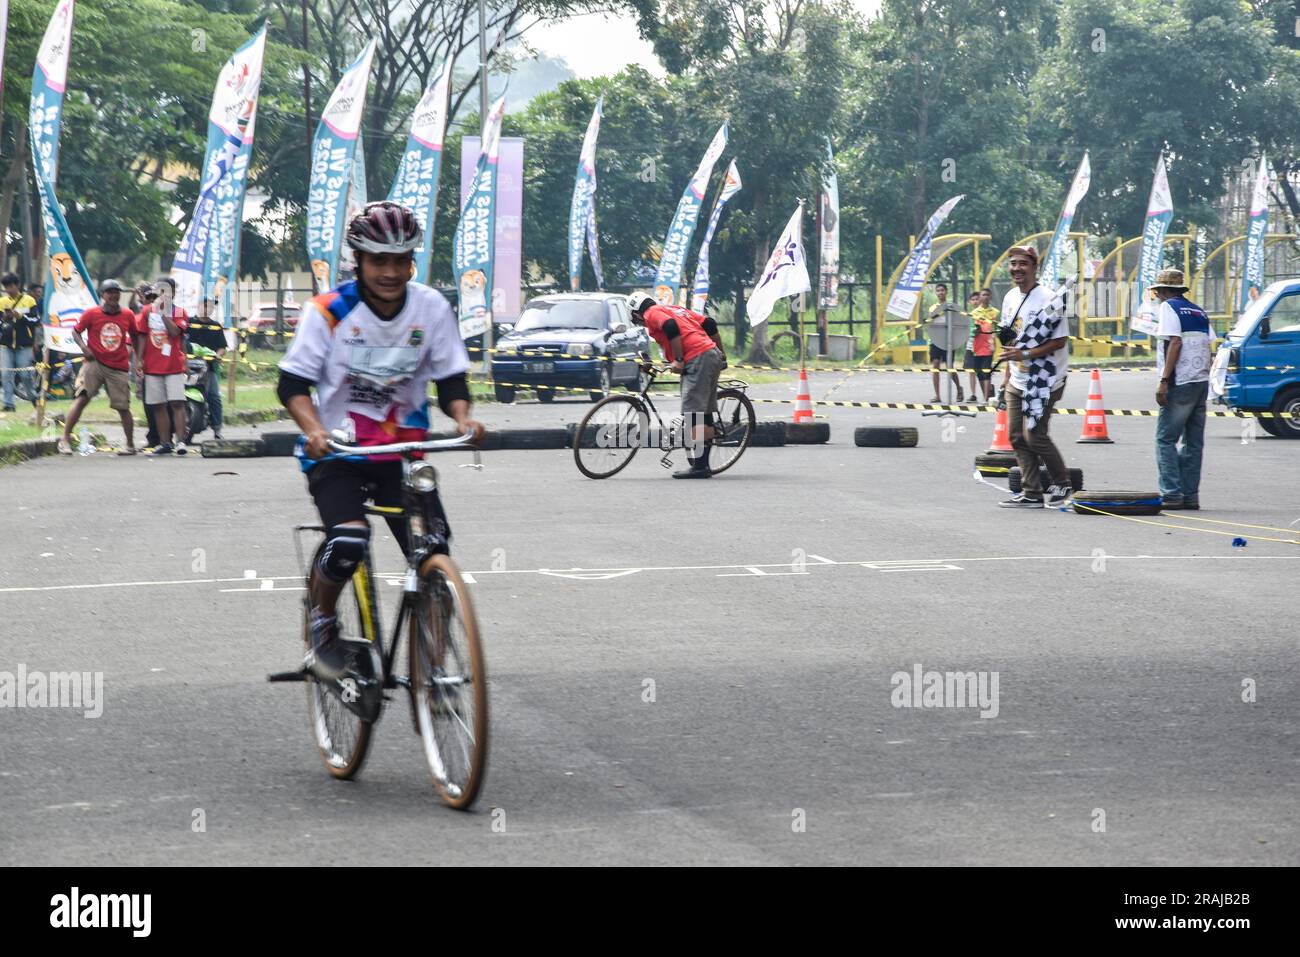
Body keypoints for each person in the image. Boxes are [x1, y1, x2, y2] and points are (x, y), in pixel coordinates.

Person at [277, 201, 483, 682]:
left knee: (434, 552)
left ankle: (432, 667)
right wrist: (314, 430)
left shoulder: (431, 308)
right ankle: (323, 621)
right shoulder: (328, 312)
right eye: (378, 261)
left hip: (401, 456)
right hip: (341, 453)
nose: (390, 272)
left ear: (412, 261)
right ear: (359, 262)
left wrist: (464, 419)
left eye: (400, 260)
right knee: (349, 540)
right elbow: (291, 385)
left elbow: (452, 378)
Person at [996, 246, 1073, 508]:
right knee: (1016, 436)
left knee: (1035, 436)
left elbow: (1060, 341)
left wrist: (1025, 355)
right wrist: (1007, 374)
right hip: (1017, 378)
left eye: (1022, 264)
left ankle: (1063, 485)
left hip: (1046, 379)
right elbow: (1010, 339)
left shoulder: (1049, 299)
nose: (1016, 268)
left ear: (1034, 267)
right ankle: (1032, 493)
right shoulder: (1009, 298)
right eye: (1013, 263)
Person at [625, 292, 728, 479]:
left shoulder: (651, 313)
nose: (640, 322)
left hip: (696, 357)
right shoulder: (674, 309)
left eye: (635, 319)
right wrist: (722, 355)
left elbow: (671, 327)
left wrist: (679, 359)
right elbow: (709, 323)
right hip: (709, 354)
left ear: (636, 313)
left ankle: (700, 467)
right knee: (702, 413)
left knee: (693, 414)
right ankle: (703, 457)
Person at [1151, 268, 1215, 510]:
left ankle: (1171, 494)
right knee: (1193, 442)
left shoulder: (1169, 308)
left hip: (1180, 382)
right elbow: (1209, 345)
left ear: (1165, 291)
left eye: (1158, 291)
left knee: (1165, 439)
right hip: (1200, 382)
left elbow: (1174, 342)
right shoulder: (1198, 311)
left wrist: (1164, 380)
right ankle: (1190, 496)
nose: (1156, 296)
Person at [59, 279, 137, 455]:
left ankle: (130, 444)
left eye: (116, 292)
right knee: (82, 398)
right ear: (102, 295)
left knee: (123, 406)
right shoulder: (91, 314)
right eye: (109, 292)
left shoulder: (128, 314)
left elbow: (135, 335)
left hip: (118, 365)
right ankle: (65, 439)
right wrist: (84, 348)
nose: (113, 295)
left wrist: (136, 355)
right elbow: (76, 331)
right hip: (94, 363)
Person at [135, 277, 189, 454]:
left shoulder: (180, 312)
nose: (162, 294)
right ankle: (165, 442)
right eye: (160, 290)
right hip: (152, 365)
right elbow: (142, 335)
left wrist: (163, 313)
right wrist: (140, 359)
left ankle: (181, 441)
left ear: (173, 292)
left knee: (177, 403)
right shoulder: (146, 312)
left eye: (166, 290)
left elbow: (175, 332)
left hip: (173, 364)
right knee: (158, 404)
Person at [186, 297, 228, 440]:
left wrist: (218, 355)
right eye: (205, 305)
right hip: (187, 367)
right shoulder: (189, 323)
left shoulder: (216, 326)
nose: (207, 309)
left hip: (208, 368)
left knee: (214, 396)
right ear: (198, 306)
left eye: (210, 306)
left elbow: (222, 347)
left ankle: (217, 429)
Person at [1, 273, 41, 418]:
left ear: (17, 285)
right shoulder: (2, 301)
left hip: (24, 345)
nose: (8, 289)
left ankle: (34, 399)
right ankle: (9, 404)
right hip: (5, 344)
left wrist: (21, 317)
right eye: (6, 287)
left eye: (10, 286)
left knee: (25, 375)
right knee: (5, 374)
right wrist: (4, 319)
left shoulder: (29, 300)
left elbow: (36, 320)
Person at [926, 283, 964, 403]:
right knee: (936, 365)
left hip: (948, 341)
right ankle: (937, 395)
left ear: (946, 292)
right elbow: (930, 322)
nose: (940, 292)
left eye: (942, 290)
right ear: (936, 293)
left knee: (949, 367)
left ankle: (959, 388)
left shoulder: (951, 307)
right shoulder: (933, 308)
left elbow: (958, 322)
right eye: (938, 291)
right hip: (936, 340)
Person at [966, 288, 999, 401]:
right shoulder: (973, 314)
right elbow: (970, 330)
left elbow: (995, 329)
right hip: (976, 346)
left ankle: (986, 399)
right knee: (979, 373)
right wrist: (975, 331)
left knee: (987, 372)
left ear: (990, 297)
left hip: (988, 346)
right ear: (980, 297)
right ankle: (988, 393)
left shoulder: (995, 312)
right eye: (983, 295)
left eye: (987, 295)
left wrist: (993, 342)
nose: (985, 297)